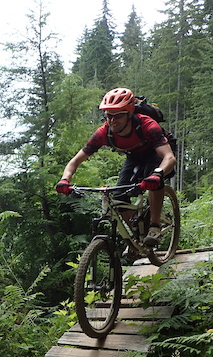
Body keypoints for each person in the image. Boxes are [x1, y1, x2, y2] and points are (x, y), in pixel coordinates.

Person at [55, 87, 176, 247]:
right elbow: (75, 161)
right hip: (134, 156)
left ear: (129, 113)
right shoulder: (103, 133)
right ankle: (136, 235)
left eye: (117, 116)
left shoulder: (147, 126)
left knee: (153, 178)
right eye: (108, 116)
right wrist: (65, 180)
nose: (112, 121)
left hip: (157, 152)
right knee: (119, 197)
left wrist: (158, 174)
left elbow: (169, 158)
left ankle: (154, 226)